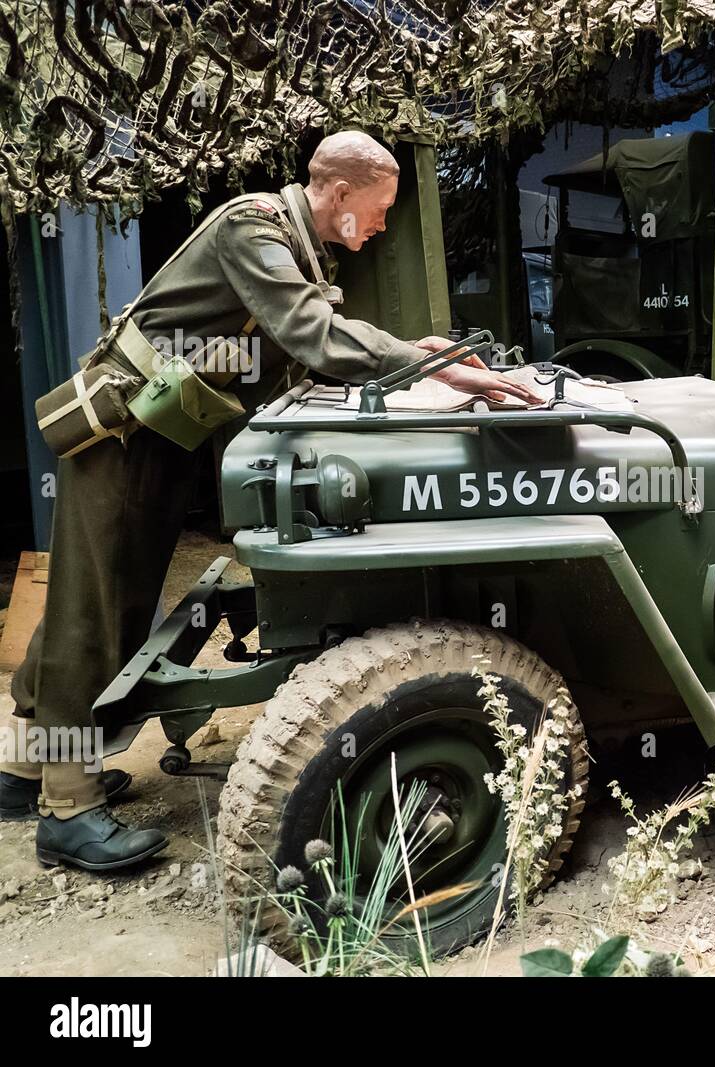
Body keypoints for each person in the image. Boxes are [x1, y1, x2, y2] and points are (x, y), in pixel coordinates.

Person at [0, 130, 541, 873]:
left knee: (113, 601)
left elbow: (297, 348)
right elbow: (313, 337)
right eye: (378, 210)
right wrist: (434, 366)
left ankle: (24, 771)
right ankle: (66, 810)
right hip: (120, 439)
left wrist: (409, 357)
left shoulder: (293, 254)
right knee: (91, 611)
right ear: (340, 194)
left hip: (161, 438)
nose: (380, 226)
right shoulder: (252, 228)